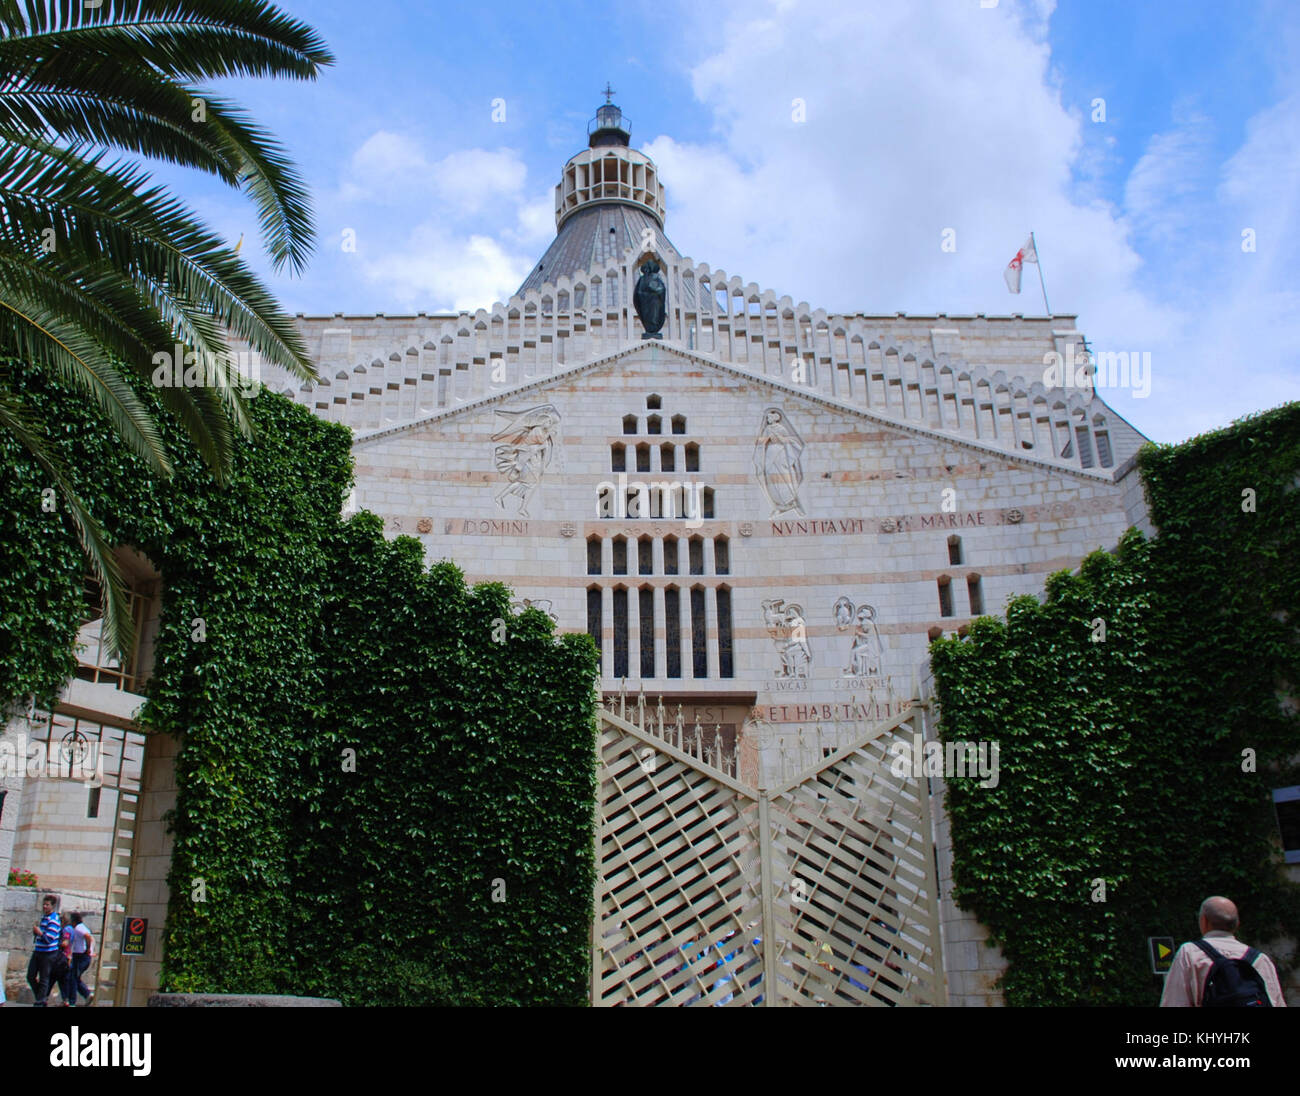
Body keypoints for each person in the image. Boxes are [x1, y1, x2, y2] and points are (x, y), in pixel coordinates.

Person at [1159, 896, 1286, 1007]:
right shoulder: (1260, 959)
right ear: (1237, 925)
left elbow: (1175, 1002)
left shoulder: (1189, 953)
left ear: (1204, 921)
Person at [26, 894, 61, 1007]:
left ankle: (40, 1002)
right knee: (30, 976)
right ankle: (41, 998)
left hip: (48, 953)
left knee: (44, 978)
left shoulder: (54, 919)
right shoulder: (44, 918)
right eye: (44, 904)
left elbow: (49, 939)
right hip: (38, 951)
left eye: (47, 905)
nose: (45, 907)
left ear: (53, 906)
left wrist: (39, 932)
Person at [64, 912, 95, 1007]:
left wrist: (88, 949)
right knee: (74, 977)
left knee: (73, 978)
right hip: (79, 955)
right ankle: (86, 994)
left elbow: (88, 937)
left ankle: (72, 1001)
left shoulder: (78, 928)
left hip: (81, 956)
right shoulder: (81, 927)